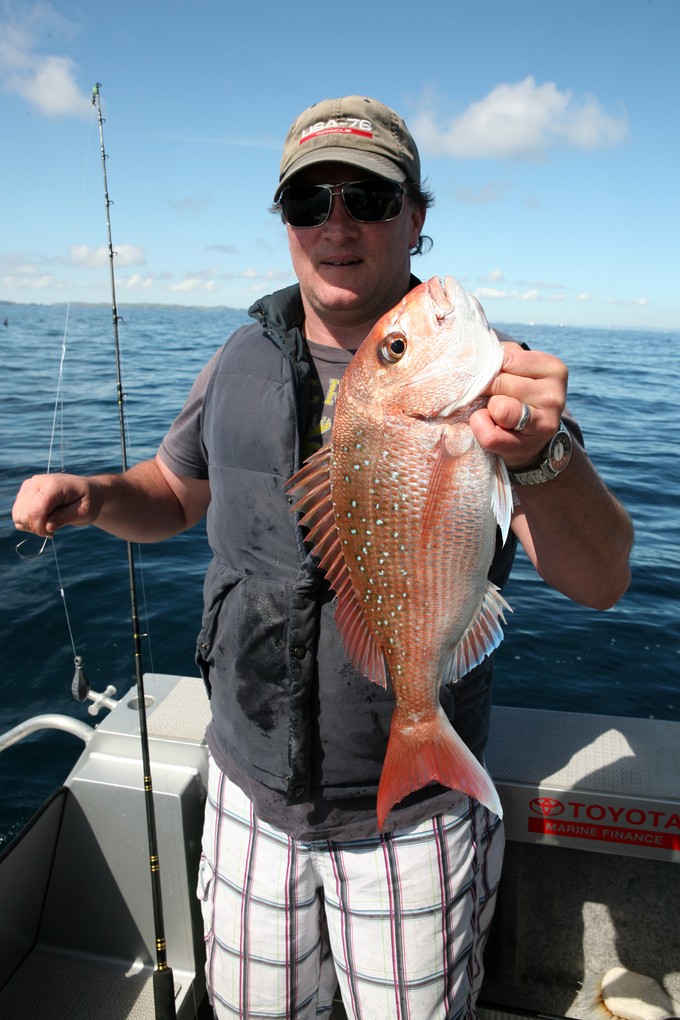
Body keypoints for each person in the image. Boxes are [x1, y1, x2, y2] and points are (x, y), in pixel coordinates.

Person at [12, 95, 633, 1019]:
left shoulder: (493, 389)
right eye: (310, 204)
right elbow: (177, 492)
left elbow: (603, 580)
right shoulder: (238, 359)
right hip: (246, 788)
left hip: (415, 822)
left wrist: (543, 458)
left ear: (416, 218)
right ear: (286, 225)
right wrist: (102, 497)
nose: (337, 225)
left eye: (370, 199)